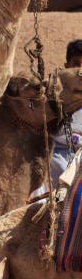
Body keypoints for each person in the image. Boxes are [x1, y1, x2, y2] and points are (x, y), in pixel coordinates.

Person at [50, 39, 82, 186]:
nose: (80, 70)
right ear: (66, 66)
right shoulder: (54, 96)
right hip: (57, 155)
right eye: (76, 63)